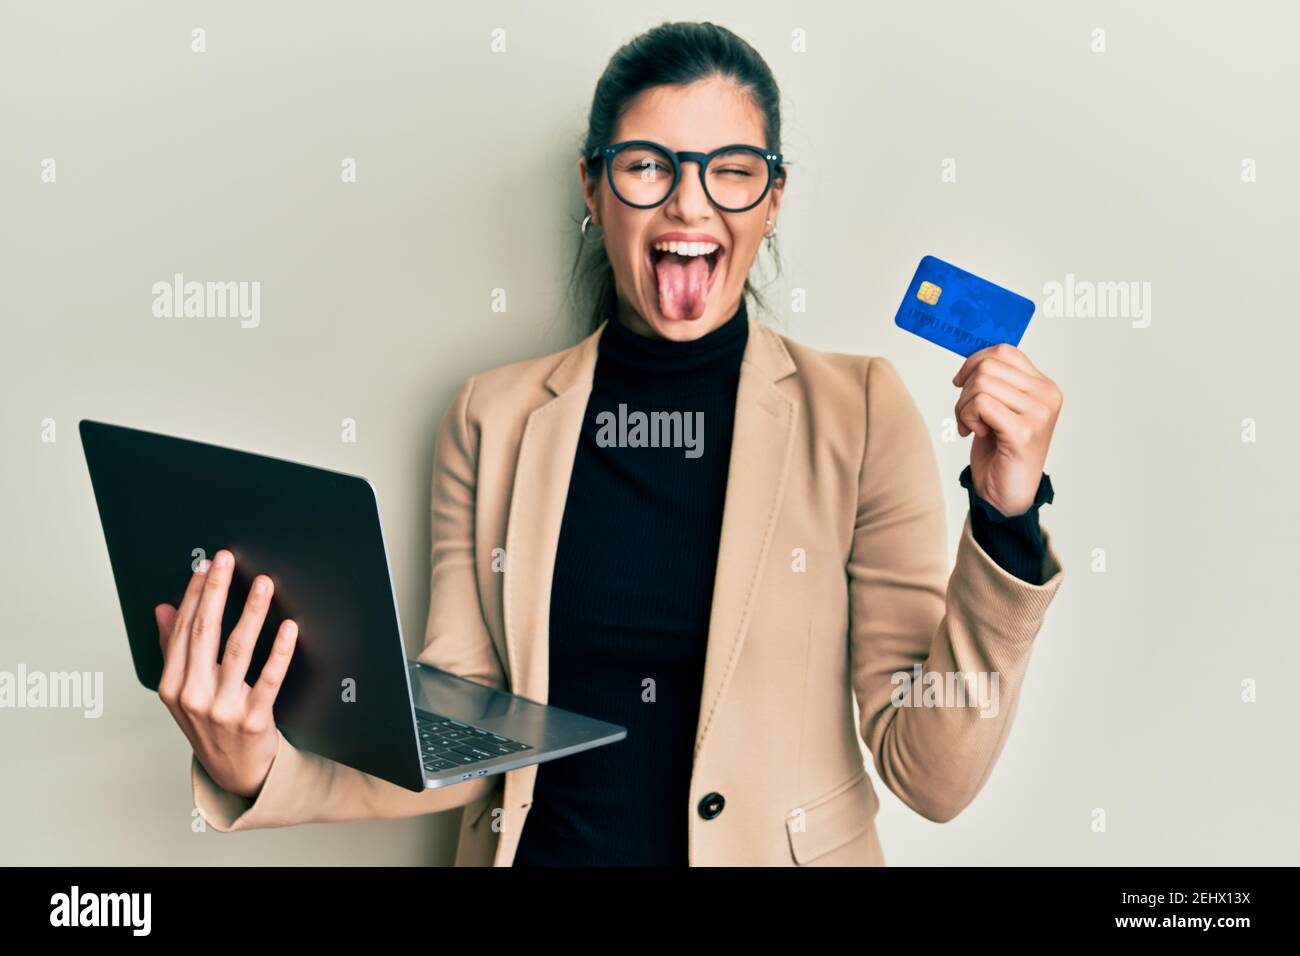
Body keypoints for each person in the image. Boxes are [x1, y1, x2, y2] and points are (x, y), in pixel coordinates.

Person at [161, 20, 1064, 866]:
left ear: (773, 199)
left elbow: (930, 773)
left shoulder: (861, 411)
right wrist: (260, 769)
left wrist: (1005, 519)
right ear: (594, 187)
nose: (688, 202)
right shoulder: (491, 418)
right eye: (647, 166)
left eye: (733, 170)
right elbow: (457, 732)